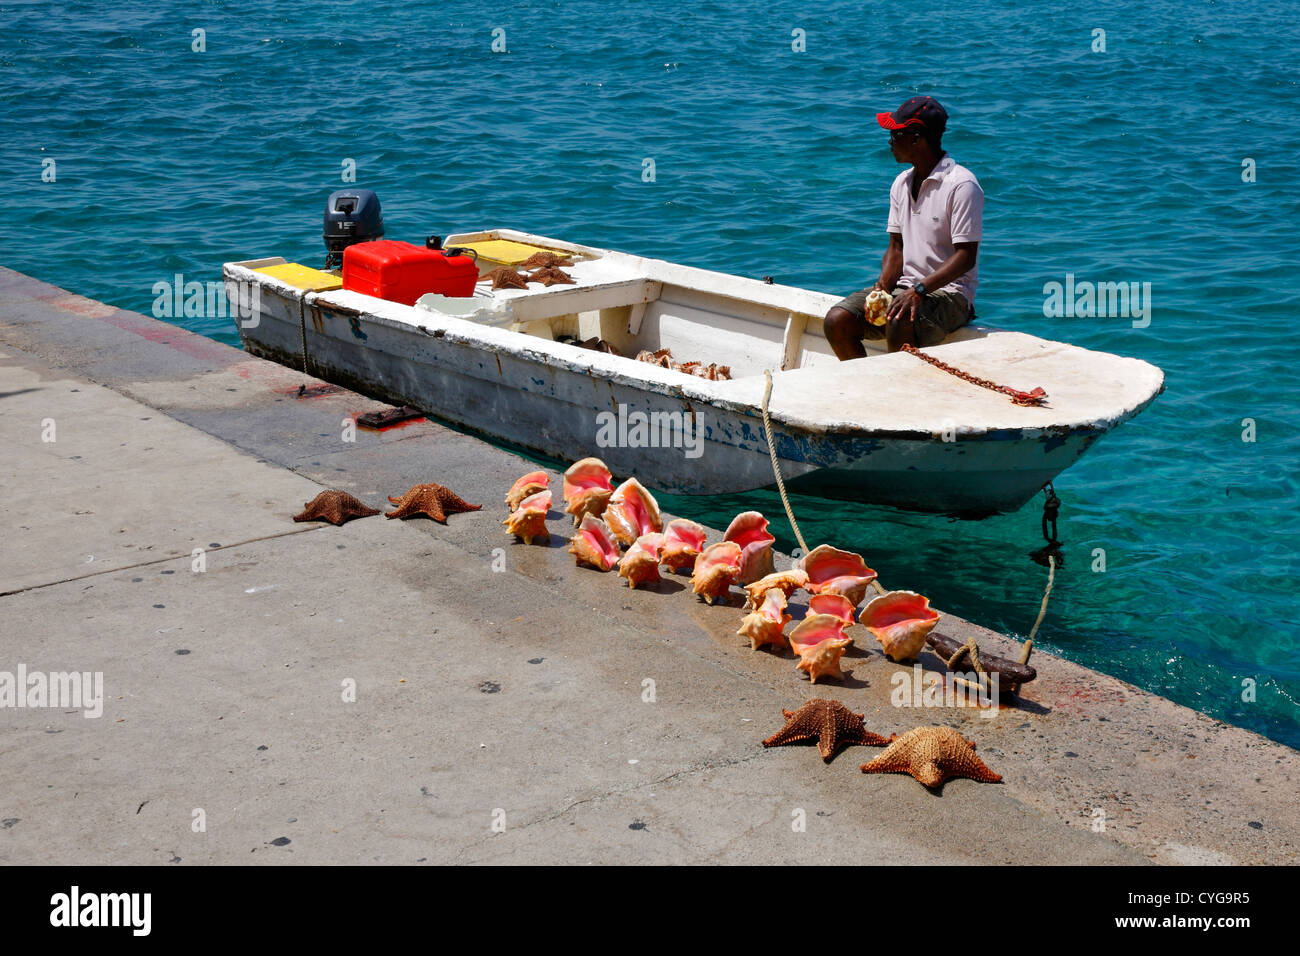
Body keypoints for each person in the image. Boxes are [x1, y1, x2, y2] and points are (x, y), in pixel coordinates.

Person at [824, 96, 984, 358]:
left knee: (899, 319)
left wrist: (918, 290)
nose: (890, 142)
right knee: (837, 320)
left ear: (916, 138)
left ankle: (896, 394)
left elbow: (965, 258)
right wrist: (883, 286)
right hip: (907, 288)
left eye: (895, 134)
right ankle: (870, 387)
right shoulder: (901, 183)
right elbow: (896, 247)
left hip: (952, 296)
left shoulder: (961, 185)